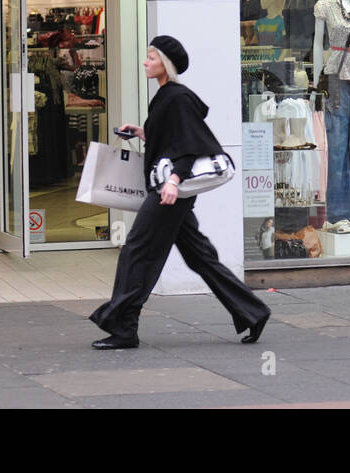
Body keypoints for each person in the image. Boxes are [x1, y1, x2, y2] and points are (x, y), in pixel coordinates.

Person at [89, 35, 271, 349]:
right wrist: (144, 132)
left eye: (151, 57)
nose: (146, 62)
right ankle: (253, 312)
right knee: (199, 256)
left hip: (170, 192)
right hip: (174, 191)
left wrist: (174, 180)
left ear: (166, 64)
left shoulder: (177, 97)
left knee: (137, 250)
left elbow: (192, 146)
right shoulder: (165, 96)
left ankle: (123, 328)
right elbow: (173, 139)